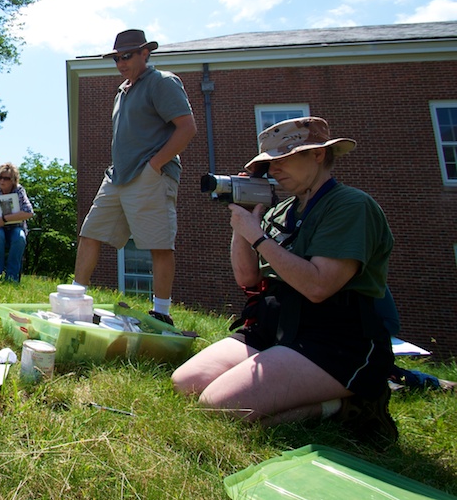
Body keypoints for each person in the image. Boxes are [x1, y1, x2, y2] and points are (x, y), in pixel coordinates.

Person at [170, 117, 398, 445]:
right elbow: (247, 278)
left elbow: (319, 287)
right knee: (185, 383)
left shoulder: (350, 206)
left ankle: (348, 404)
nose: (273, 170)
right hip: (275, 325)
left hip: (333, 337)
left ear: (317, 155)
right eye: (268, 164)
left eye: (282, 160)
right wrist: (243, 225)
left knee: (217, 408)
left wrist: (259, 237)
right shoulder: (280, 211)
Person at [73, 29, 196, 325]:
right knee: (90, 233)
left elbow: (187, 128)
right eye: (117, 57)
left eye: (127, 56)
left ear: (145, 53)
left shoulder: (162, 82)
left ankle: (161, 313)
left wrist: (154, 166)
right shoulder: (122, 90)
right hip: (116, 177)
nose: (121, 62)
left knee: (159, 244)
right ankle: (73, 299)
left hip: (151, 175)